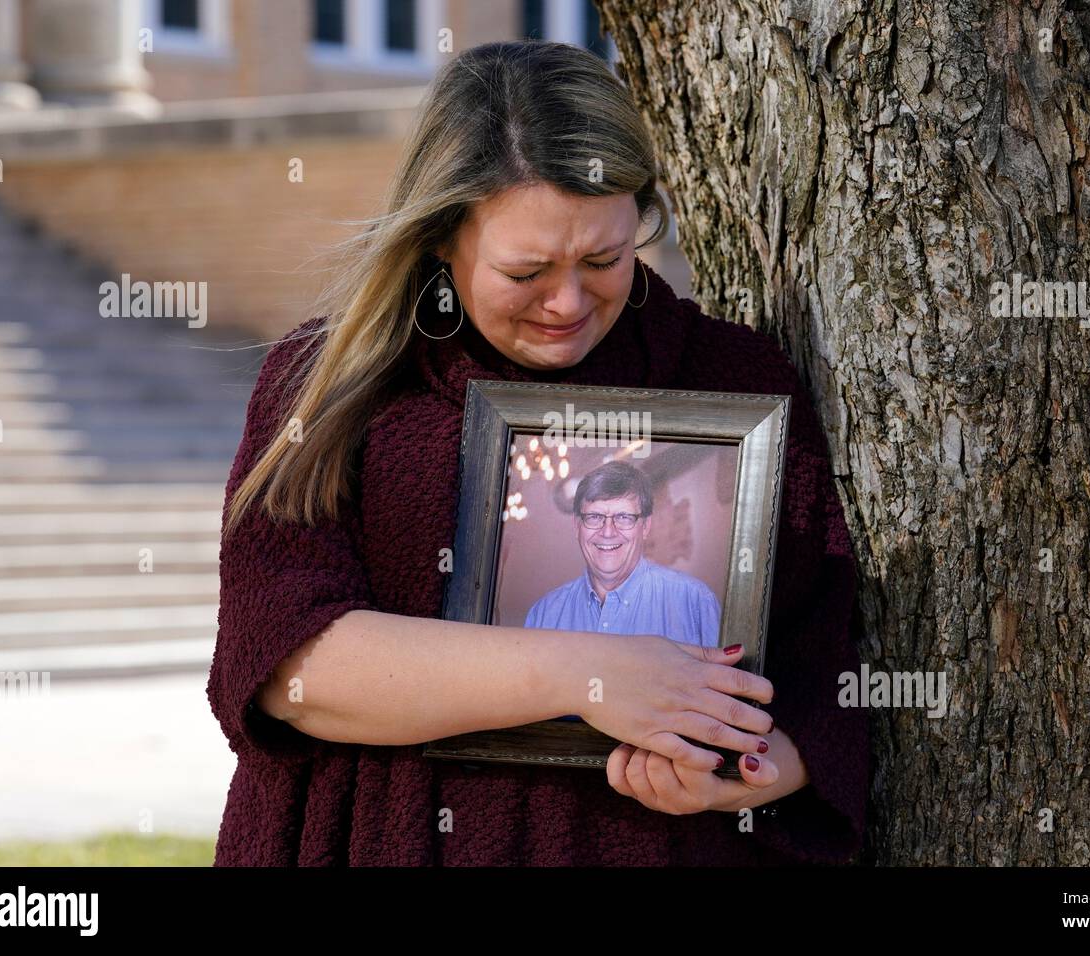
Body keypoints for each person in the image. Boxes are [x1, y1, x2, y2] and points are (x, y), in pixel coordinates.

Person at [207, 39, 867, 866]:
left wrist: (753, 775)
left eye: (603, 259)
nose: (567, 302)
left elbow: (827, 673)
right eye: (526, 271)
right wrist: (588, 674)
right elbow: (289, 665)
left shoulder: (741, 384)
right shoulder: (329, 387)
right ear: (442, 239)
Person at [524, 460, 722, 648]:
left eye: (624, 517)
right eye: (594, 517)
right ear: (577, 526)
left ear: (645, 526)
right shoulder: (543, 615)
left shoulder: (695, 603)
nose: (608, 531)